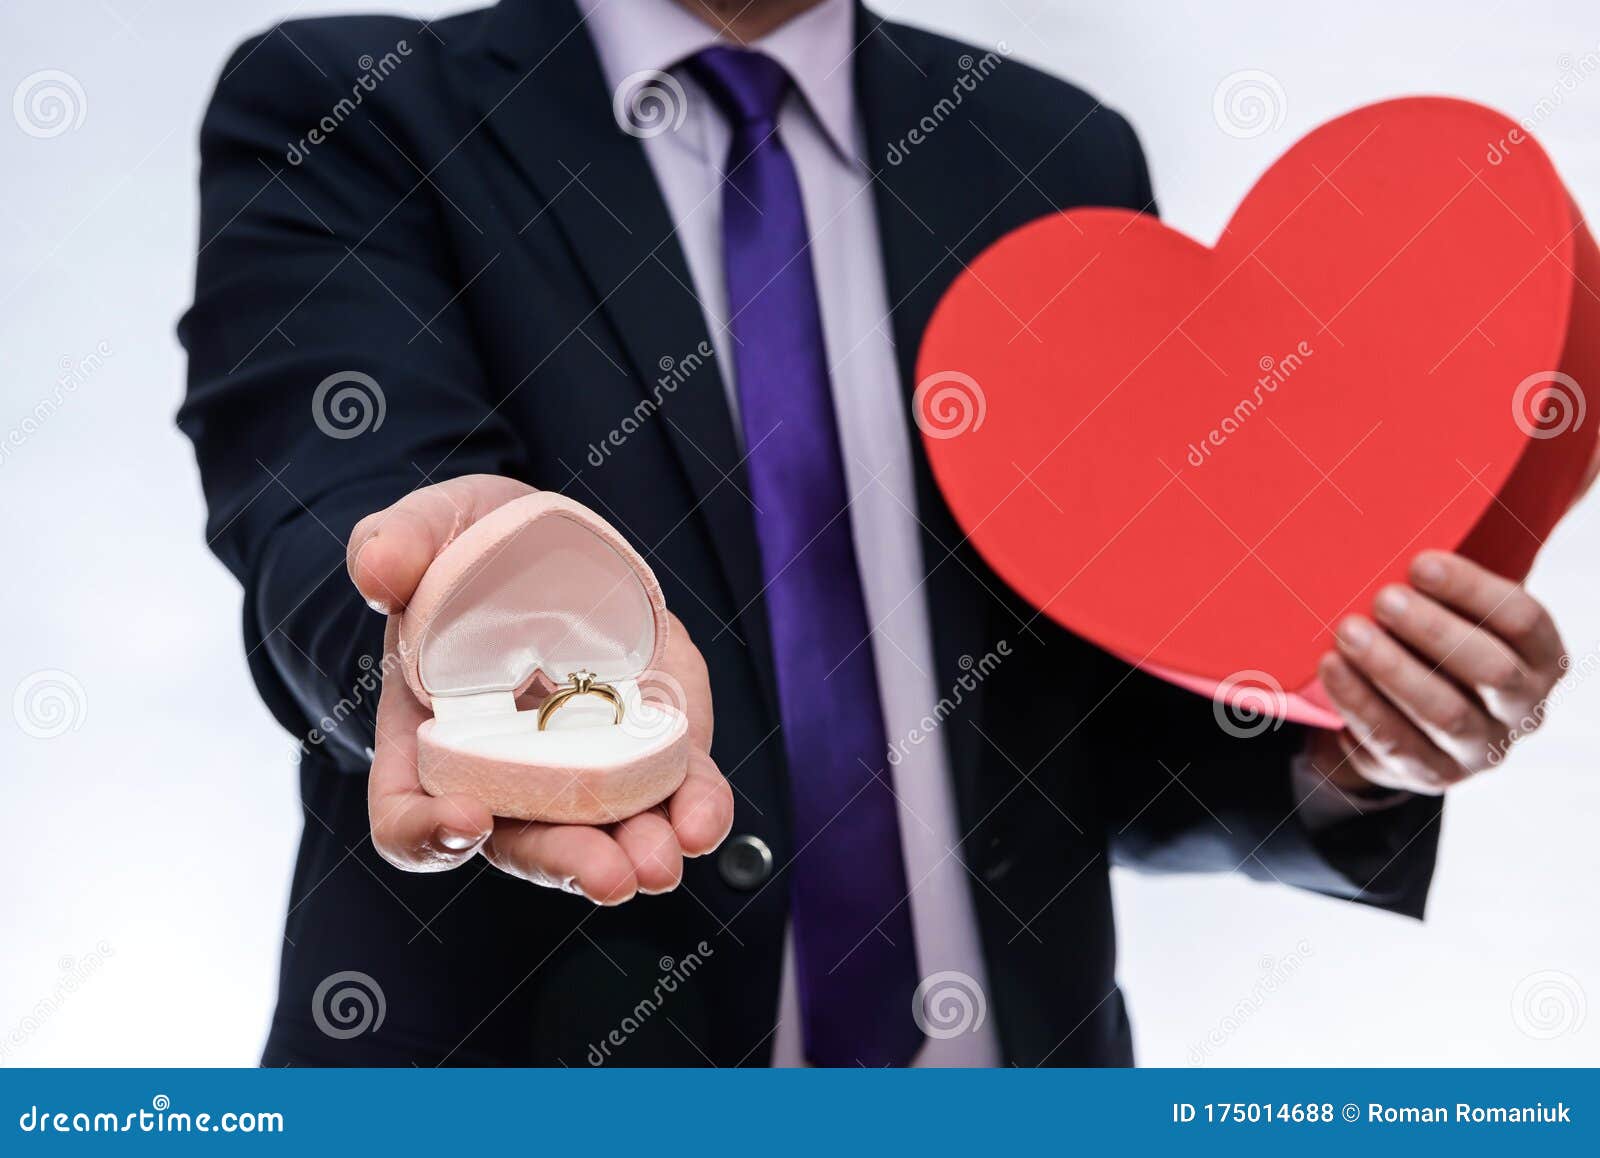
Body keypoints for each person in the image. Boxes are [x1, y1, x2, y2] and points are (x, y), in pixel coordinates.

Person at [178, 0, 1571, 1066]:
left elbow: (1101, 724)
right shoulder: (353, 110)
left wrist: (1349, 751)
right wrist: (443, 639)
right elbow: (325, 516)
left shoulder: (1055, 156)